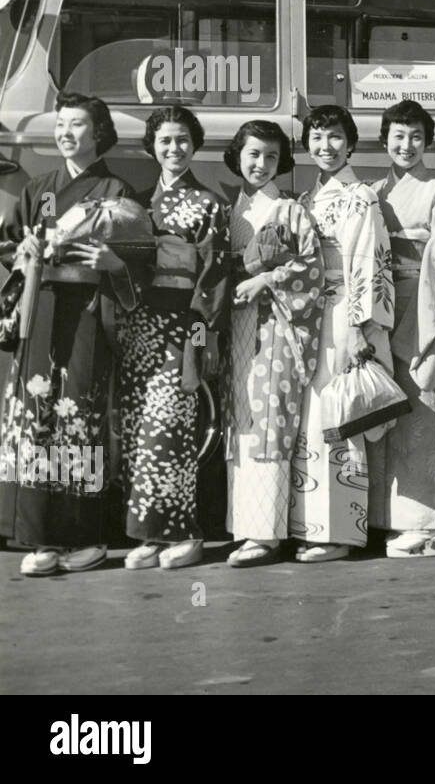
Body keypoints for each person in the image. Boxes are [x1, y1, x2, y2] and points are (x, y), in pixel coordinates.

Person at [0, 94, 147, 576]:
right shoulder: (39, 188)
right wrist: (22, 249)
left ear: (99, 132)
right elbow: (8, 246)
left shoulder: (116, 187)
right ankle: (40, 538)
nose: (66, 132)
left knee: (79, 415)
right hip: (41, 311)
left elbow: (141, 254)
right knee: (36, 416)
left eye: (77, 124)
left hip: (87, 311)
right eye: (60, 124)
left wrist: (113, 263)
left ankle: (85, 537)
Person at [118, 106, 229, 571]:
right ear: (152, 145)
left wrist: (200, 340)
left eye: (182, 139)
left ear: (195, 143)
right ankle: (147, 534)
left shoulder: (208, 204)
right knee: (137, 432)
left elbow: (214, 278)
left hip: (184, 325)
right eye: (165, 140)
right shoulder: (137, 202)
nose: (174, 148)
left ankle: (186, 532)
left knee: (173, 431)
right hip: (140, 326)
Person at [370, 101, 435, 558]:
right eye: (397, 135)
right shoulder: (374, 191)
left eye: (414, 136)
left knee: (423, 411)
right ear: (384, 139)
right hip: (383, 304)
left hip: (424, 306)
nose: (405, 145)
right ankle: (389, 518)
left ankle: (429, 525)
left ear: (427, 141)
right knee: (386, 412)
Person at [291, 105, 395, 562]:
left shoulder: (360, 197)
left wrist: (359, 327)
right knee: (313, 420)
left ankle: (339, 533)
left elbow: (368, 263)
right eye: (316, 138)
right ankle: (312, 524)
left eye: (334, 137)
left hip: (342, 316)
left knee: (340, 417)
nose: (325, 147)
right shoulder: (307, 200)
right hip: (313, 315)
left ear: (350, 143)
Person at [223, 120, 324, 568]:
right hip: (236, 329)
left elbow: (312, 269)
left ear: (281, 161)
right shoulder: (233, 212)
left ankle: (265, 533)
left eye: (269, 156)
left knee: (271, 422)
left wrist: (266, 277)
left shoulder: (291, 211)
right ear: (238, 156)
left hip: (278, 328)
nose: (261, 164)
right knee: (240, 420)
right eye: (252, 154)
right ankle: (243, 526)